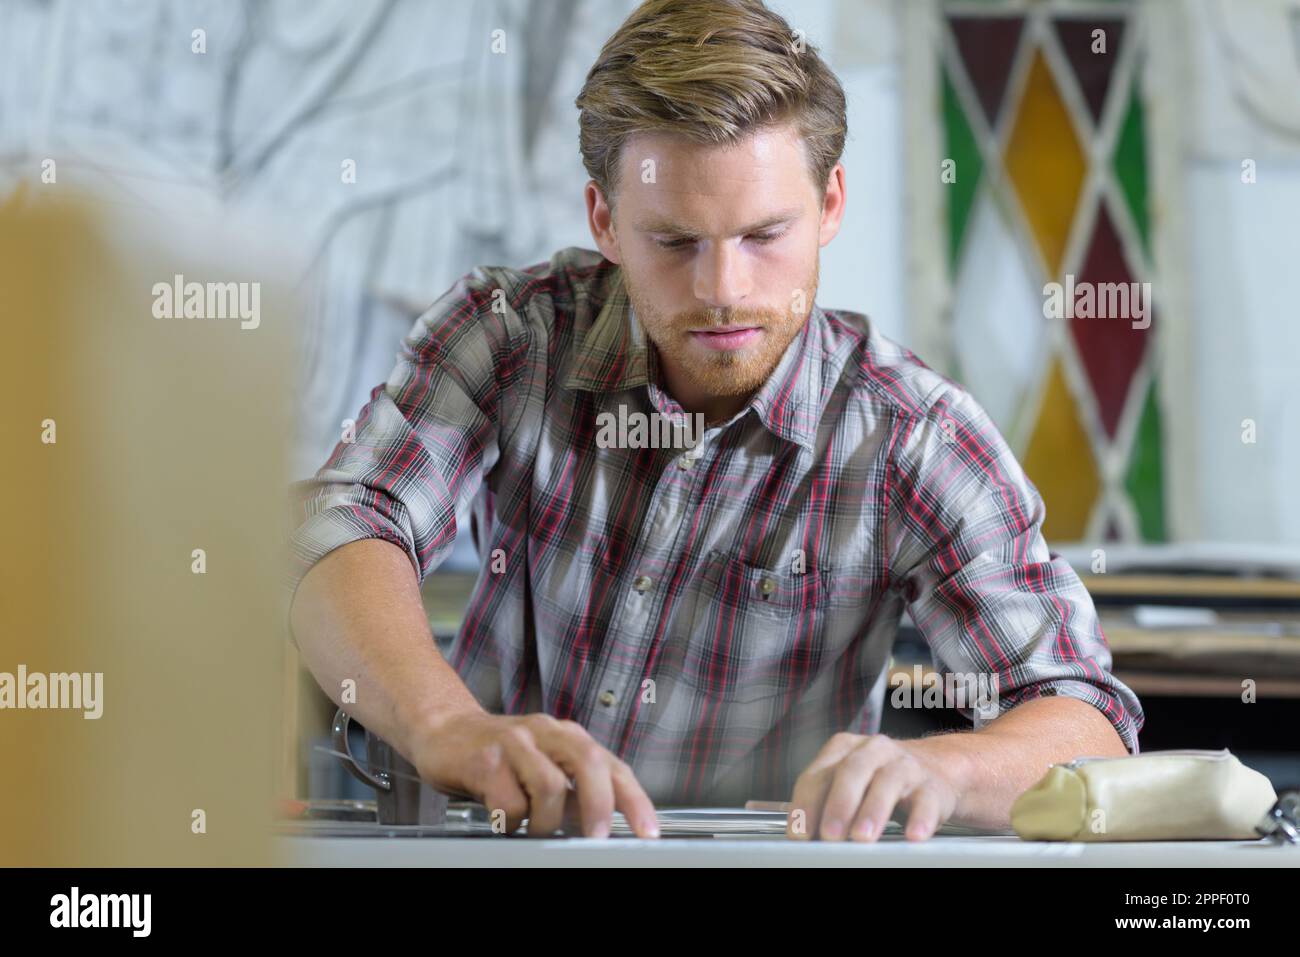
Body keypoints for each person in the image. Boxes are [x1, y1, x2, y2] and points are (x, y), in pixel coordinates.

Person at [288, 0, 1143, 841]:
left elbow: (1088, 721)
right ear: (604, 220)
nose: (723, 290)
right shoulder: (509, 335)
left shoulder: (911, 436)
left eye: (765, 234)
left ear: (831, 205)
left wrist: (942, 769)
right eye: (675, 242)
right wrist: (448, 726)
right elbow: (337, 526)